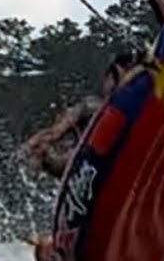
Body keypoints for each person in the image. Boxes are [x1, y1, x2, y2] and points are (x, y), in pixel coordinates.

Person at [22, 50, 141, 180]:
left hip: (117, 161)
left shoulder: (137, 107)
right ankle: (42, 160)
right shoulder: (90, 106)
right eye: (113, 76)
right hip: (85, 168)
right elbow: (55, 132)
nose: (114, 82)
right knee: (49, 149)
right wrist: (34, 149)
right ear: (107, 78)